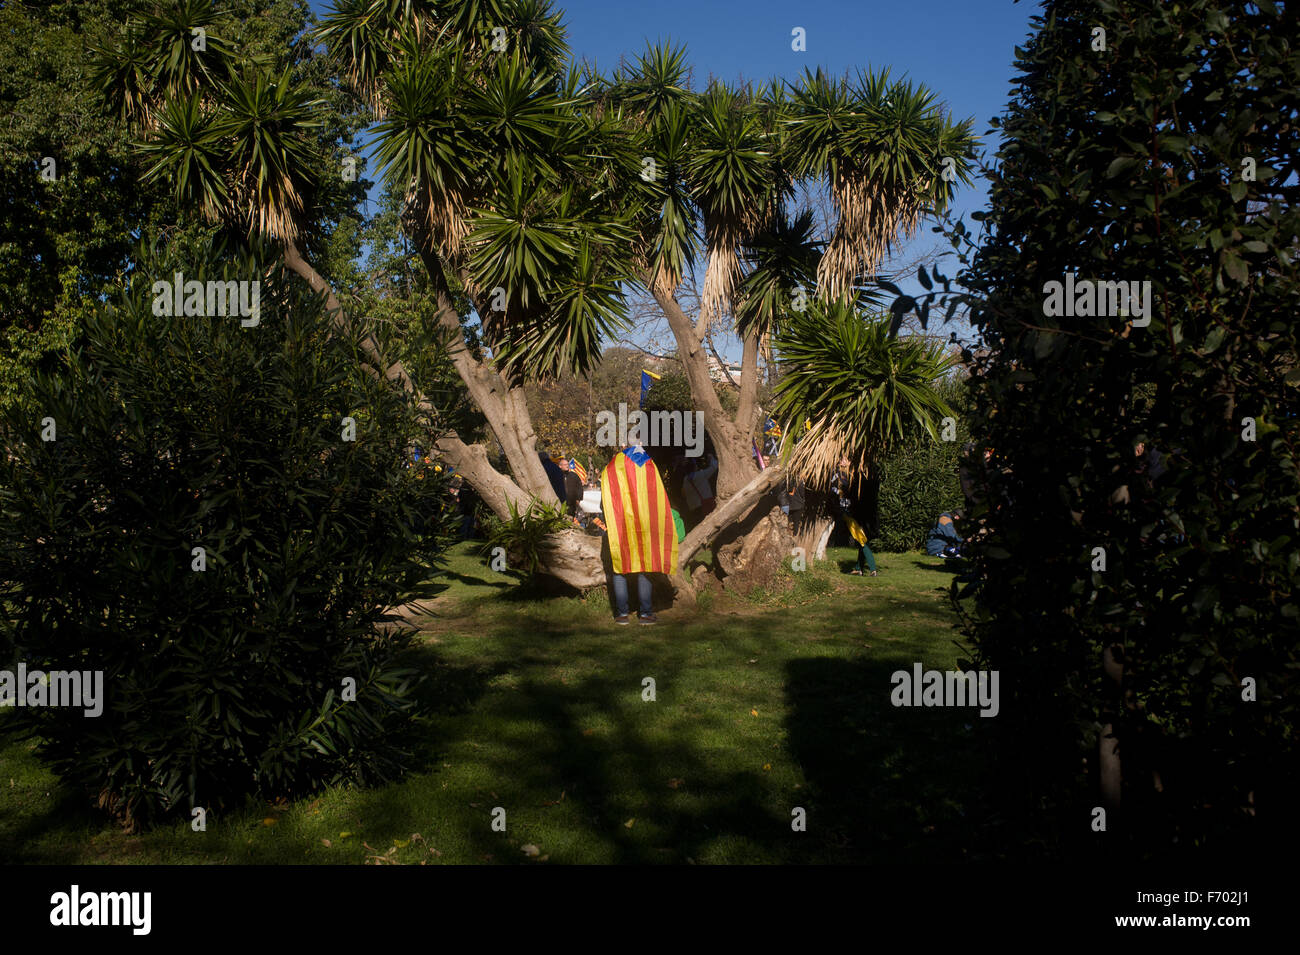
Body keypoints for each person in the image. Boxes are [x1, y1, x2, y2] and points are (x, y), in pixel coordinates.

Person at [600, 443, 679, 625]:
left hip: (620, 524)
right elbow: (657, 494)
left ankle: (621, 614)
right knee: (645, 566)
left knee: (620, 567)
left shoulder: (612, 466)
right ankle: (645, 614)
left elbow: (606, 499)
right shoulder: (649, 465)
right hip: (645, 525)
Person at [833, 456, 878, 577]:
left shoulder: (853, 475)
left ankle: (859, 568)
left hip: (856, 511)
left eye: (846, 459)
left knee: (861, 540)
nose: (844, 461)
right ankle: (872, 568)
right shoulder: (838, 475)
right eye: (843, 459)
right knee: (862, 539)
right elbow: (837, 491)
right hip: (847, 511)